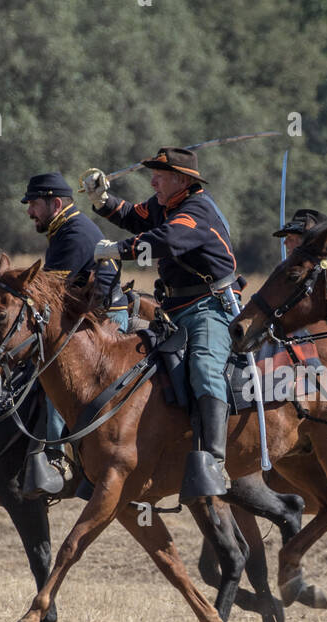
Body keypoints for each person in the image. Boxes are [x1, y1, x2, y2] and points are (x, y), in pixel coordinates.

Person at [81, 148, 240, 501]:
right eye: (153, 174)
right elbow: (132, 215)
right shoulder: (164, 204)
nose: (152, 181)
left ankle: (214, 461)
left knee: (204, 368)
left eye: (160, 175)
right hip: (174, 307)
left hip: (209, 307)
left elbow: (164, 242)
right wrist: (102, 199)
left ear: (182, 180)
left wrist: (117, 251)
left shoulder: (195, 210)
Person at [18, 172, 128, 498]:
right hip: (84, 315)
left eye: (34, 204)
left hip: (106, 318)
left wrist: (13, 286)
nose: (29, 212)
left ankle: (59, 459)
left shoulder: (75, 233)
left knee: (60, 373)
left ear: (55, 203)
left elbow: (50, 291)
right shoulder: (63, 229)